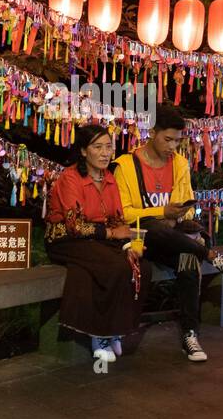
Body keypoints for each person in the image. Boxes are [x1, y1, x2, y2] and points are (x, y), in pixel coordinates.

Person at [114, 104, 223, 364]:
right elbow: (124, 213)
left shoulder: (180, 165)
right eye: (167, 139)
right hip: (139, 239)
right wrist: (162, 210)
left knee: (187, 261)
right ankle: (211, 255)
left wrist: (179, 216)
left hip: (172, 239)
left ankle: (190, 334)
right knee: (153, 226)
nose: (172, 146)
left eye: (177, 140)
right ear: (152, 132)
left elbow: (186, 207)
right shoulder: (125, 165)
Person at [44, 126, 146, 363]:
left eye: (109, 147)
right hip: (65, 240)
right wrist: (112, 233)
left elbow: (117, 217)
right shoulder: (70, 178)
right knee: (112, 266)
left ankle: (116, 329)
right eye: (97, 147)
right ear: (82, 150)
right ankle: (99, 334)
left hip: (98, 238)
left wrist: (128, 243)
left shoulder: (109, 178)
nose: (105, 153)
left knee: (139, 265)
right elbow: (74, 226)